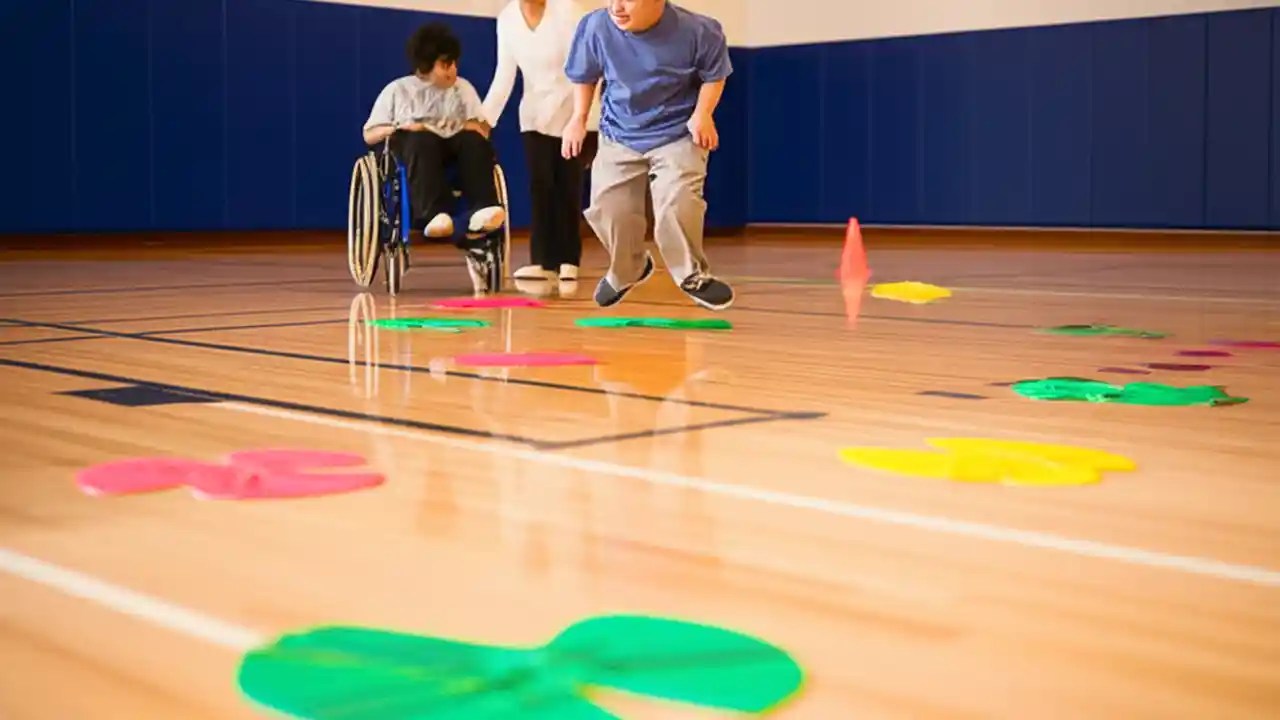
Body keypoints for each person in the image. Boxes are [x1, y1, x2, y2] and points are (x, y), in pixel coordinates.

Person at [561, 0, 734, 311]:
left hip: (678, 132)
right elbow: (585, 75)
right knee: (609, 208)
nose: (616, 6)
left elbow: (714, 74)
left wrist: (703, 114)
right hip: (619, 133)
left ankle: (692, 275)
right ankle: (628, 268)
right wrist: (578, 117)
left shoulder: (699, 30)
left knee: (677, 200)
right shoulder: (595, 27)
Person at [363, 23, 506, 292]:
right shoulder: (398, 90)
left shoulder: (463, 89)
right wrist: (400, 127)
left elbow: (484, 128)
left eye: (455, 64)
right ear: (426, 65)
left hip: (453, 150)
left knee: (474, 142)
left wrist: (471, 127)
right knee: (421, 139)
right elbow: (369, 134)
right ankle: (433, 215)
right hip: (416, 149)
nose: (454, 70)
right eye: (446, 64)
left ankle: (481, 211)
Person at [482, 0, 600, 284]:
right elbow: (504, 75)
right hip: (534, 116)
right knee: (540, 186)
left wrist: (583, 117)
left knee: (568, 186)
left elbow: (589, 66)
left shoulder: (569, 10)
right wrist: (484, 120)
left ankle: (569, 260)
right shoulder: (507, 19)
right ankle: (544, 262)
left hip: (574, 114)